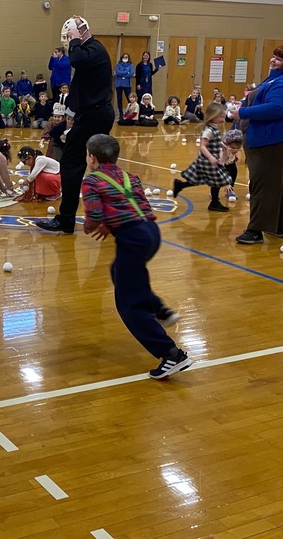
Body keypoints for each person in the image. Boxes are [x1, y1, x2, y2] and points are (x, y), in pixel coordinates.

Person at [81, 133, 190, 380]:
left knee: (129, 304)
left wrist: (89, 227)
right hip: (150, 232)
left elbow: (94, 217)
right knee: (119, 272)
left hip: (131, 238)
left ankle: (171, 354)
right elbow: (133, 204)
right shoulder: (130, 176)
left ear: (91, 158)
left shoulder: (91, 181)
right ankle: (160, 310)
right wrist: (113, 223)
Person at [36, 16, 114, 235]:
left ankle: (67, 219)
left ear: (81, 32)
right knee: (93, 166)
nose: (69, 41)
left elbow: (76, 59)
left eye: (70, 35)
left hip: (95, 115)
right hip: (92, 115)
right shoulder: (91, 49)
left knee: (72, 163)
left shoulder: (93, 49)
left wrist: (75, 39)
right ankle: (87, 217)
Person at [230, 45, 283, 244]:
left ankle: (255, 230)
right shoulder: (275, 78)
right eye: (273, 57)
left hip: (273, 139)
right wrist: (243, 104)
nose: (273, 60)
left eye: (278, 59)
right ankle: (278, 227)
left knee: (263, 185)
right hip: (269, 137)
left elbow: (277, 108)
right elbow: (260, 100)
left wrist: (243, 113)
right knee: (276, 184)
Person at [172, 102, 232, 212]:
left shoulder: (214, 127)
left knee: (203, 180)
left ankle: (180, 185)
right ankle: (214, 203)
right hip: (207, 161)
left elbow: (213, 141)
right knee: (217, 180)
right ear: (213, 117)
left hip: (209, 160)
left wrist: (221, 144)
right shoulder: (209, 130)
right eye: (221, 116)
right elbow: (202, 147)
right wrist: (211, 157)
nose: (224, 119)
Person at [114, 53, 135, 121]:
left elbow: (131, 74)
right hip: (119, 84)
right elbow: (117, 72)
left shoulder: (131, 65)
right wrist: (126, 72)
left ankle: (130, 113)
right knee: (119, 99)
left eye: (126, 57)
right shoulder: (118, 65)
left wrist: (122, 74)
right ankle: (120, 114)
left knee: (129, 99)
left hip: (127, 85)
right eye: (124, 57)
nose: (125, 58)